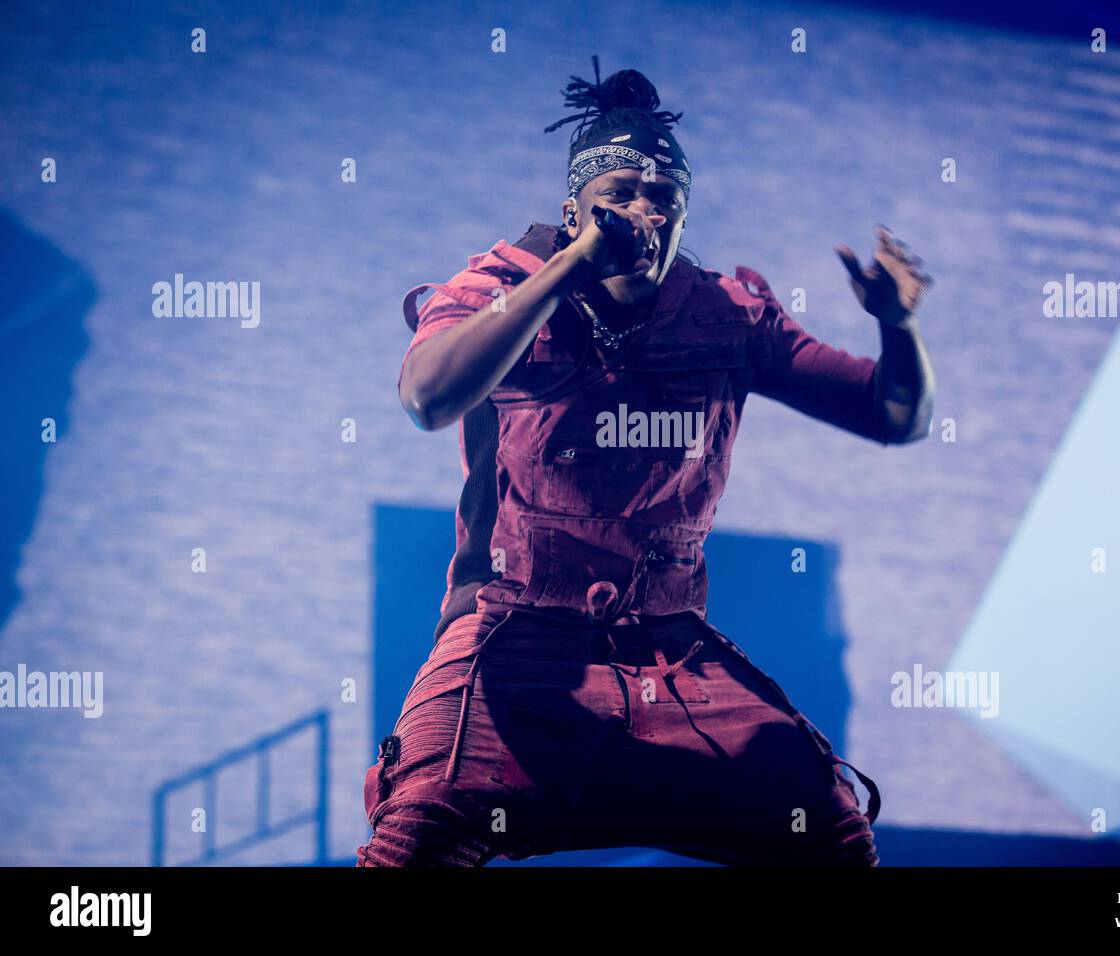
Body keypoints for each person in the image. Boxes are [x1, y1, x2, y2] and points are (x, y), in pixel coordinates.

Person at [356, 57, 935, 867]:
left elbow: (895, 416)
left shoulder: (727, 316)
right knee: (416, 828)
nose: (642, 214)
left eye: (664, 199)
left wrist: (898, 328)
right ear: (573, 211)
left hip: (668, 649)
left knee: (829, 829)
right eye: (617, 196)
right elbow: (427, 397)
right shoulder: (499, 286)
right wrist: (569, 267)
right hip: (516, 634)